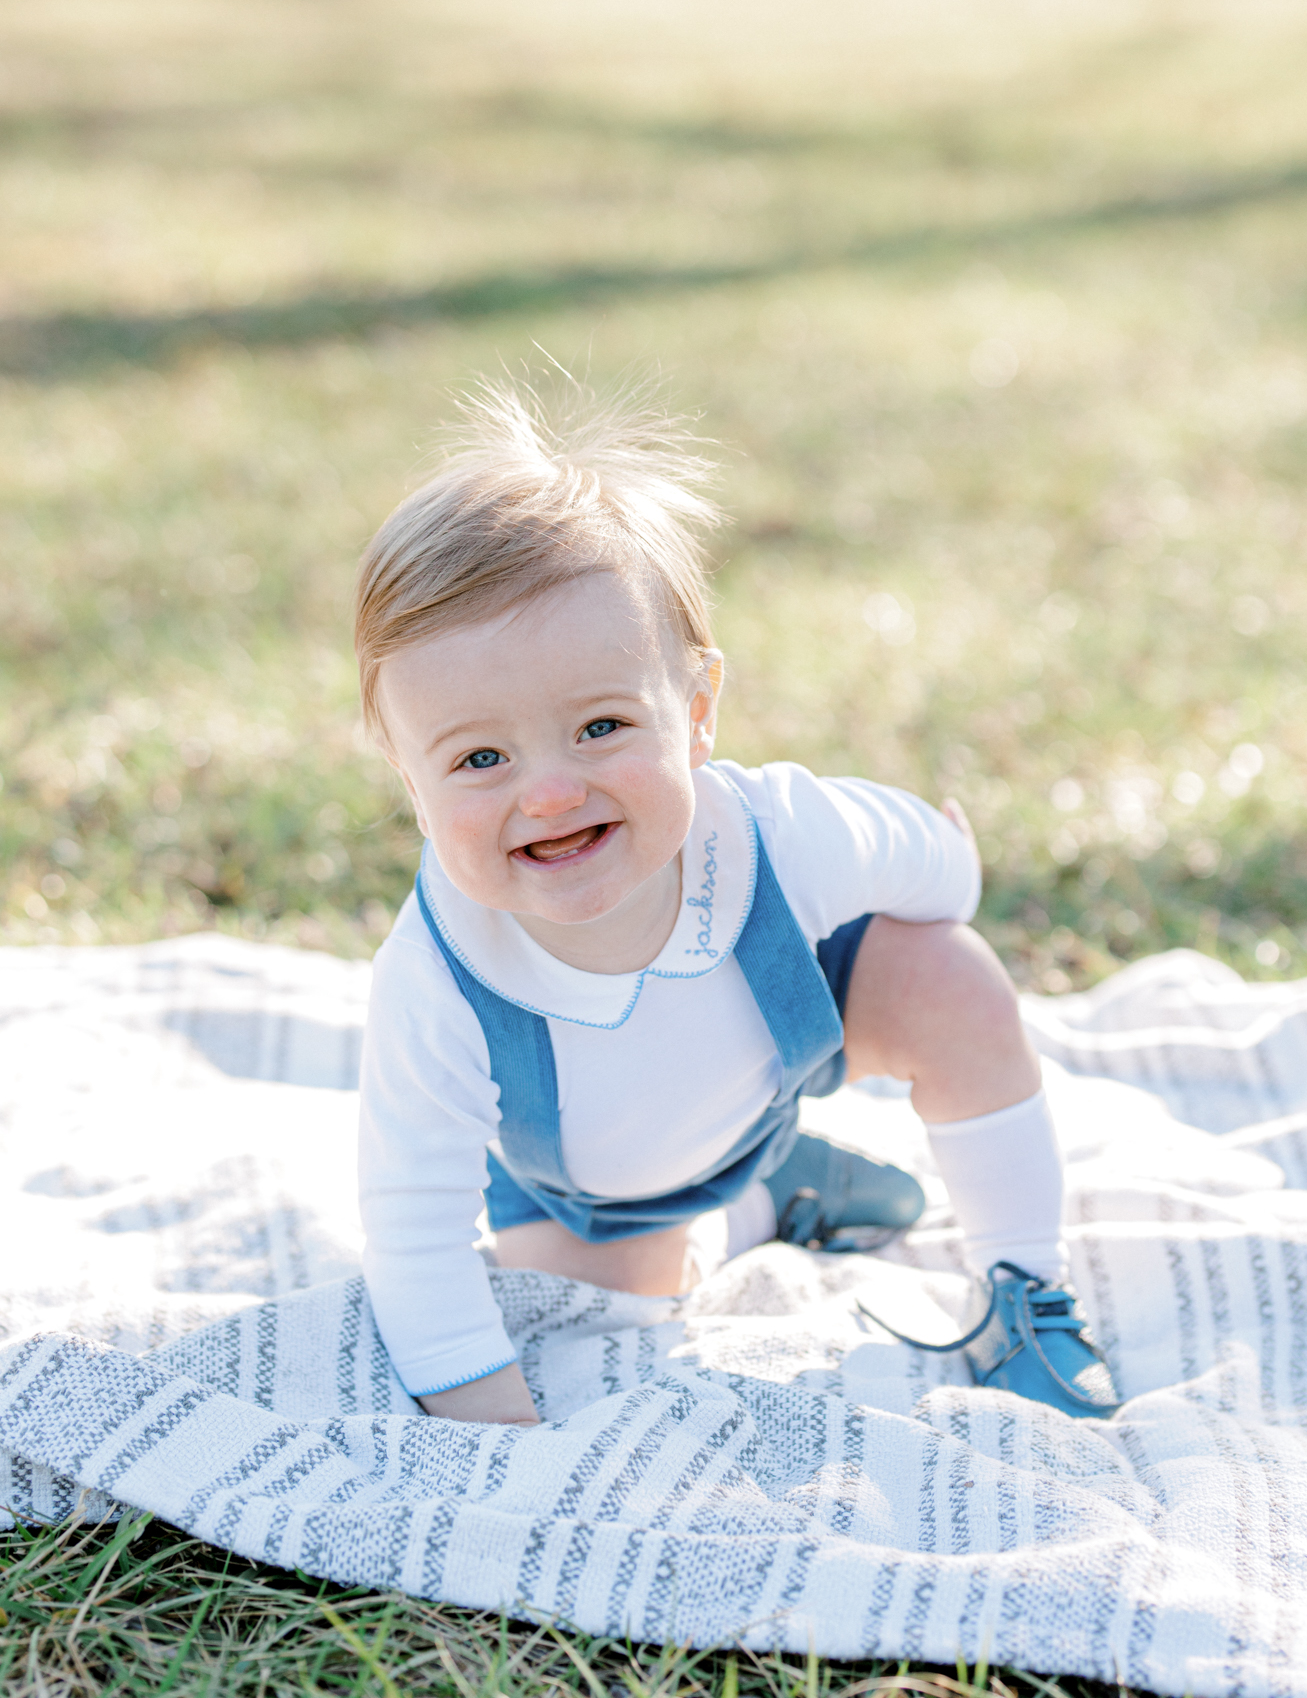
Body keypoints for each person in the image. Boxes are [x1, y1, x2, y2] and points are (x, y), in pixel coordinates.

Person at [354, 382, 1117, 1428]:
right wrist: (497, 1439)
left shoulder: (774, 835)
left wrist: (956, 876)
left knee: (947, 973)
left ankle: (1023, 1288)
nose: (552, 792)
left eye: (601, 727)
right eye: (480, 757)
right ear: (411, 781)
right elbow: (412, 1235)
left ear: (698, 709)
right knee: (597, 1308)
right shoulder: (440, 978)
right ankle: (768, 1199)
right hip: (596, 1188)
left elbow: (913, 852)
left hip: (766, 1071)